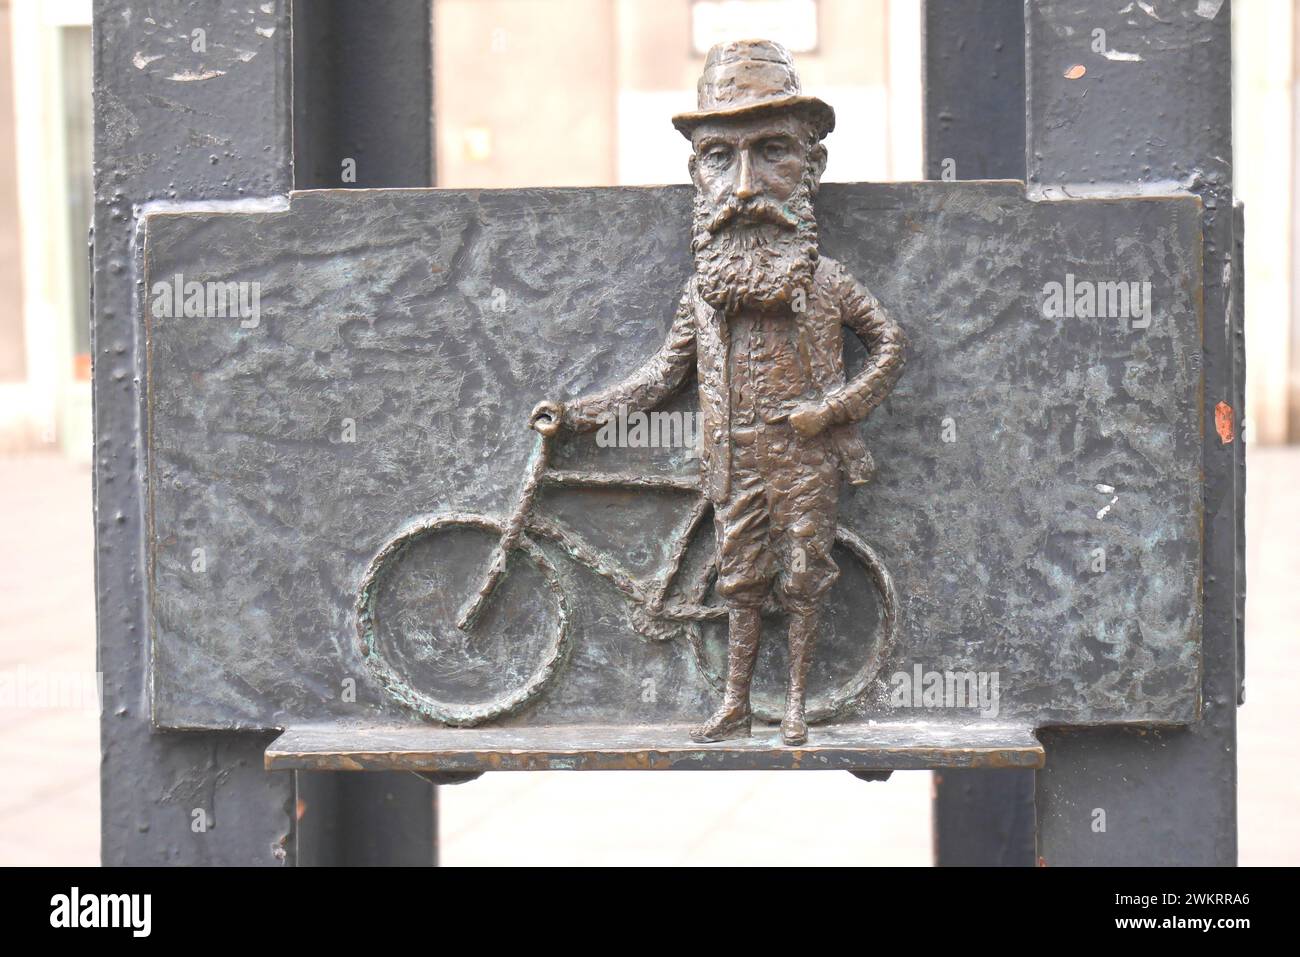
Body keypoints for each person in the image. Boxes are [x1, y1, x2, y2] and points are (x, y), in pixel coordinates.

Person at [530, 39, 905, 746]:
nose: (743, 188)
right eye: (719, 158)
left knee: (803, 580)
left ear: (812, 167)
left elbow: (890, 345)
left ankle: (793, 703)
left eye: (771, 152)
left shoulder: (828, 284)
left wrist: (833, 409)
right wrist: (575, 416)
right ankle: (735, 703)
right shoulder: (702, 299)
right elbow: (656, 381)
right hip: (734, 464)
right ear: (696, 174)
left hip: (807, 460)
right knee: (740, 583)